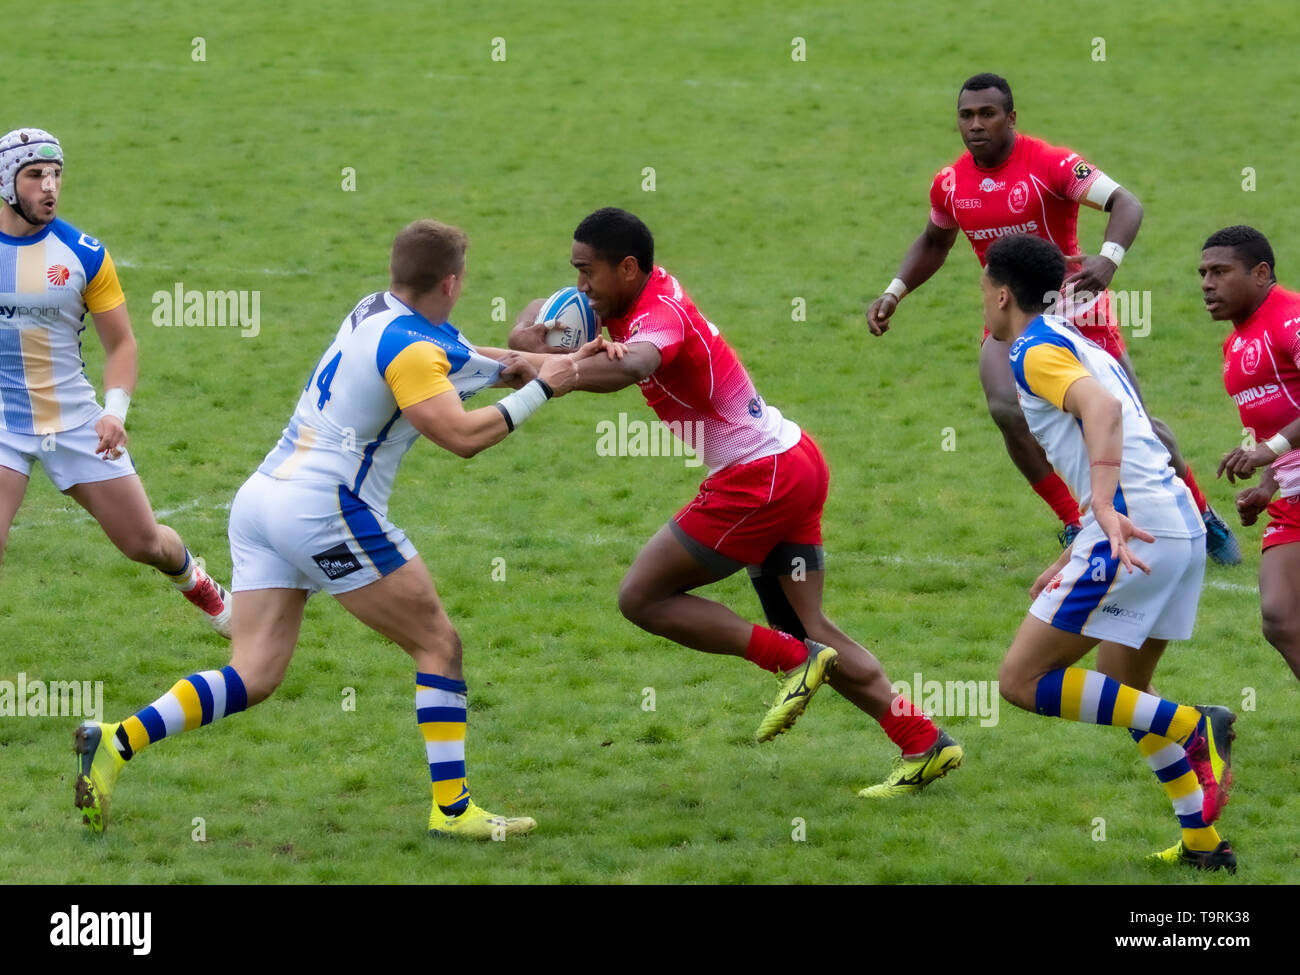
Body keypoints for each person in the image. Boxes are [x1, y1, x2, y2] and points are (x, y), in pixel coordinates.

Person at [74, 219, 593, 839]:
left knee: (255, 674)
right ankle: (453, 811)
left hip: (262, 499)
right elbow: (460, 436)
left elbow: (474, 360)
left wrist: (552, 363)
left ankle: (115, 741)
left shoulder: (378, 311)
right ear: (452, 282)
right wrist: (544, 390)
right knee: (439, 644)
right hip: (326, 510)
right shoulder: (414, 352)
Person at [511, 207, 963, 798]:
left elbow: (638, 362)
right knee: (808, 622)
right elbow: (581, 364)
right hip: (794, 460)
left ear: (626, 268)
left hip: (759, 478)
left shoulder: (657, 316)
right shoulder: (639, 295)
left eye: (585, 272)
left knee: (642, 597)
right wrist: (507, 358)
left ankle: (793, 660)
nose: (579, 288)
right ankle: (924, 740)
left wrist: (543, 370)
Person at [865, 73, 1239, 563]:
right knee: (1005, 409)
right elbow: (936, 241)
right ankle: (1074, 520)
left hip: (1076, 305)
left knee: (1135, 424)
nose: (975, 125)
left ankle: (1202, 512)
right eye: (966, 115)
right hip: (1010, 315)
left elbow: (1127, 203)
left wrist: (1108, 258)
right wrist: (895, 292)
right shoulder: (951, 182)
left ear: (1011, 118)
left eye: (988, 114)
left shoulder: (1052, 164)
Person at [984, 232, 1236, 871]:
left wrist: (1099, 508)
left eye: (983, 287)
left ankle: (1193, 725)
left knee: (1020, 681)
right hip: (1175, 527)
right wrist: (1081, 548)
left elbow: (1100, 411)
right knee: (1127, 689)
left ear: (1002, 291)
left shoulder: (1033, 351)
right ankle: (1203, 845)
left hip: (1132, 530)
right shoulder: (1083, 344)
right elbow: (1144, 428)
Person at [0, 127, 230, 635]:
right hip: (4, 423)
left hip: (76, 419)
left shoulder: (83, 254)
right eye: (35, 175)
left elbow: (121, 344)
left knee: (144, 544)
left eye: (56, 174)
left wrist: (114, 412)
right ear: (6, 181)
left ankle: (200, 583)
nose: (50, 187)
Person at [1200, 225, 1300, 680]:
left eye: (1220, 271)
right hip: (1291, 495)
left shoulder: (1292, 318)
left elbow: (1272, 439)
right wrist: (1266, 485)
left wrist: (1268, 451)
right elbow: (1272, 423)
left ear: (1261, 273)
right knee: (1280, 618)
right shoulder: (1235, 342)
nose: (1207, 283)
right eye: (1203, 273)